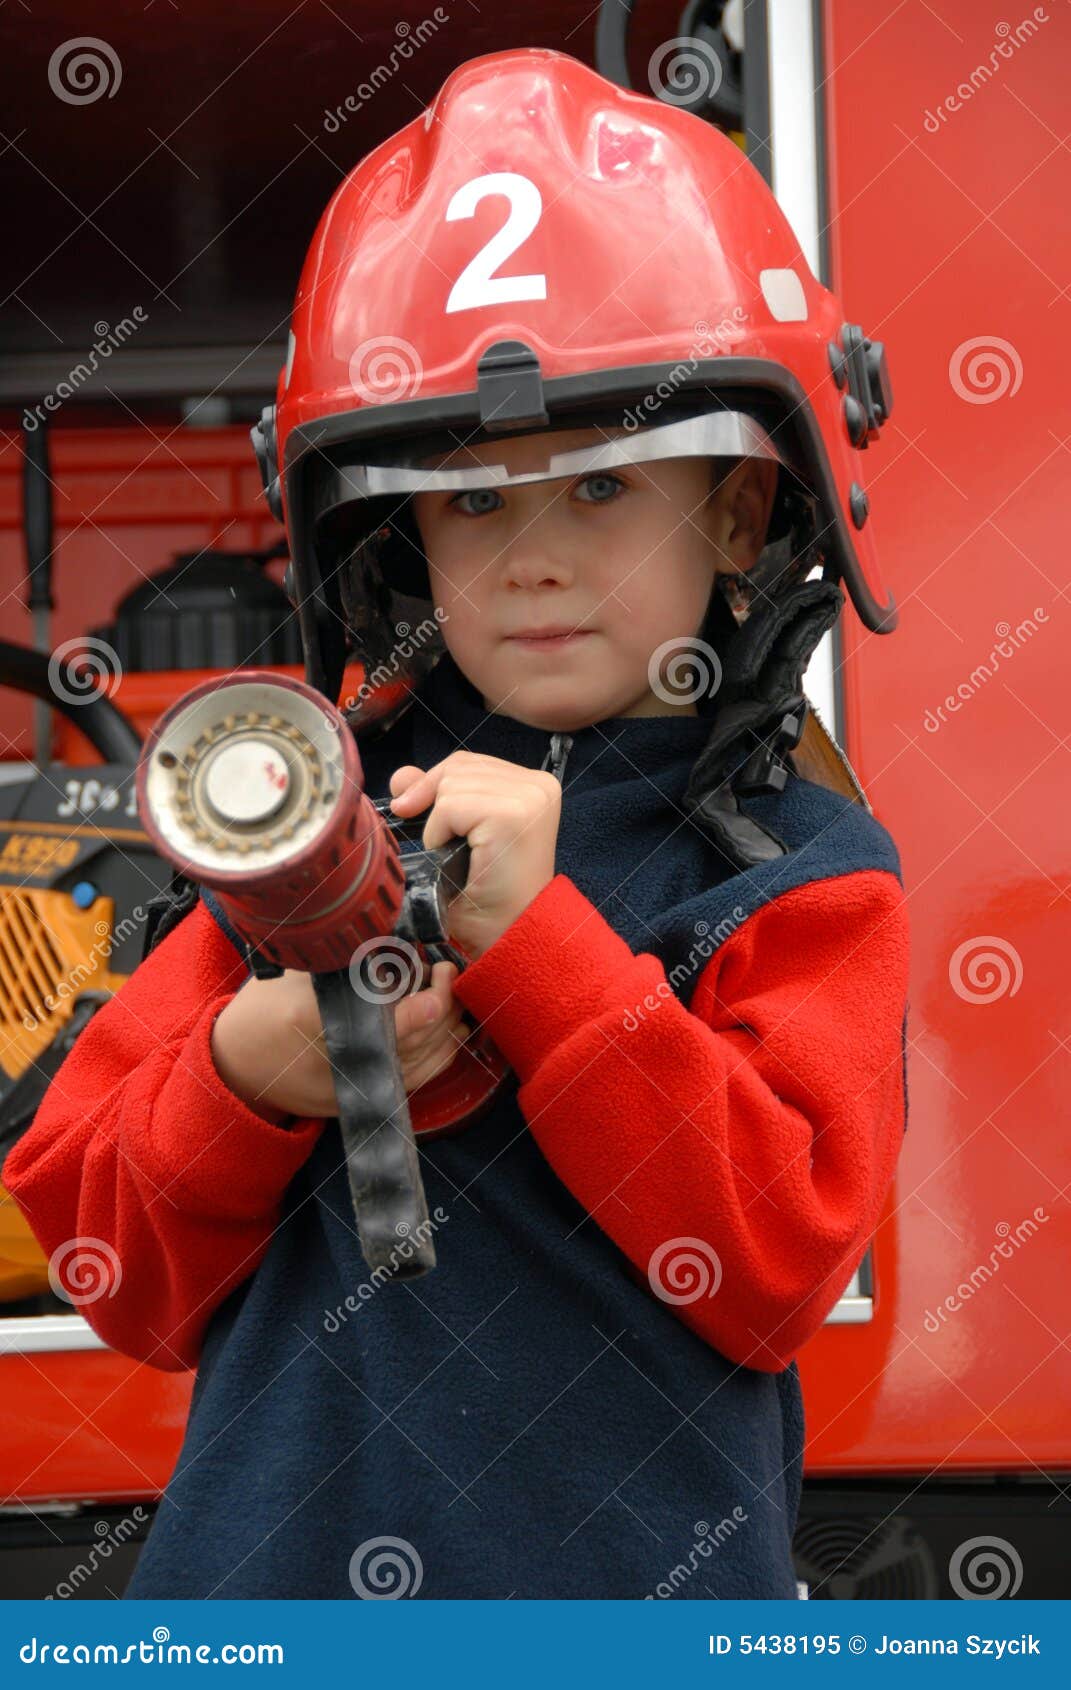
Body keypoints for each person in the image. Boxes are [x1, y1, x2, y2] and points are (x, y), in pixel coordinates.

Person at [2, 47, 909, 1600]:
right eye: (473, 501)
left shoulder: (800, 875)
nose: (537, 557)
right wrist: (246, 1073)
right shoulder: (308, 835)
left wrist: (543, 956)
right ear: (392, 531)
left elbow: (772, 1271)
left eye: (604, 488)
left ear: (748, 509)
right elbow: (111, 1274)